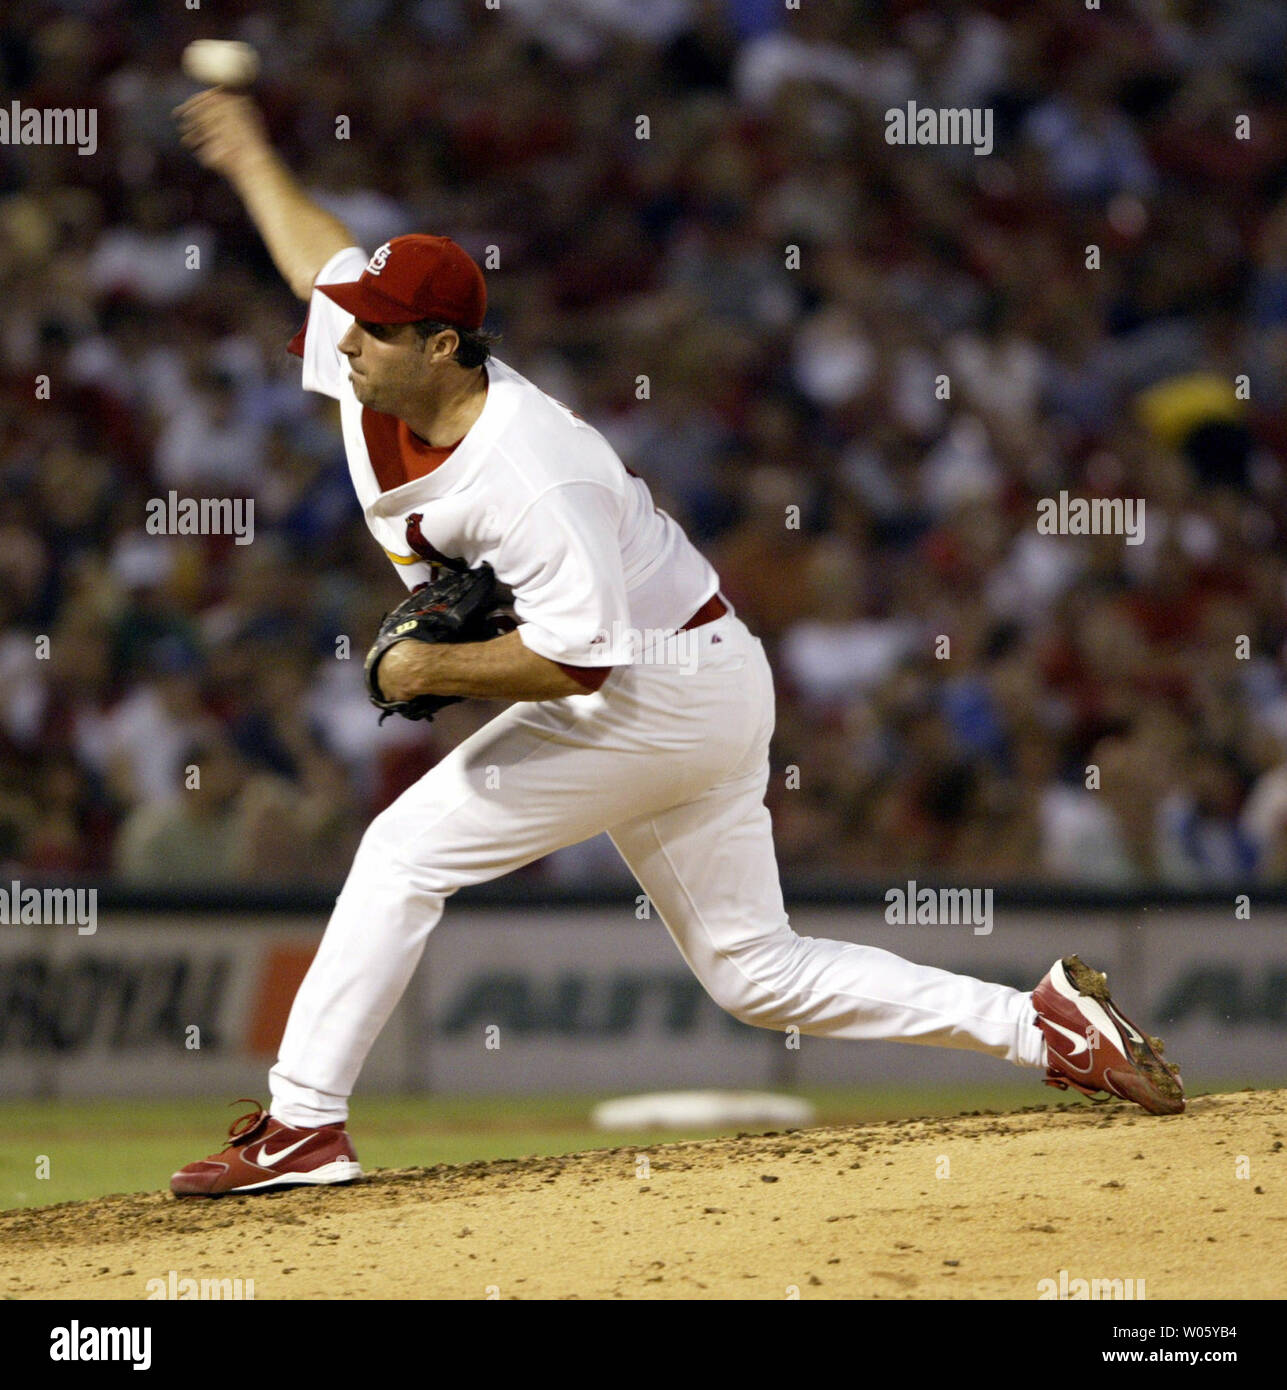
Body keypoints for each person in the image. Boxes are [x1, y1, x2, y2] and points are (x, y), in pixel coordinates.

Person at [167, 90, 1183, 1197]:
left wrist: (427, 670)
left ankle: (304, 1123)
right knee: (758, 970)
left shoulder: (530, 472)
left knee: (403, 853)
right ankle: (1045, 1027)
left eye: (374, 324)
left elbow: (581, 664)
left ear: (442, 344)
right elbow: (318, 258)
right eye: (351, 319)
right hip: (700, 674)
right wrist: (251, 154)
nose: (345, 334)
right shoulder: (381, 373)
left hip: (652, 686)